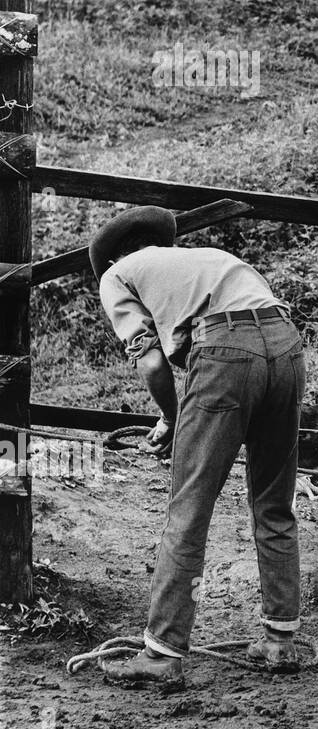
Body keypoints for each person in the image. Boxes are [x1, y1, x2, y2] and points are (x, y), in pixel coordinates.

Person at [90, 206, 306, 687]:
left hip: (226, 353)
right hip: (286, 344)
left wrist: (172, 416)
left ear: (114, 257)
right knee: (274, 503)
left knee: (188, 506)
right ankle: (280, 640)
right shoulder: (211, 258)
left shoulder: (115, 275)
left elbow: (150, 364)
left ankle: (163, 654)